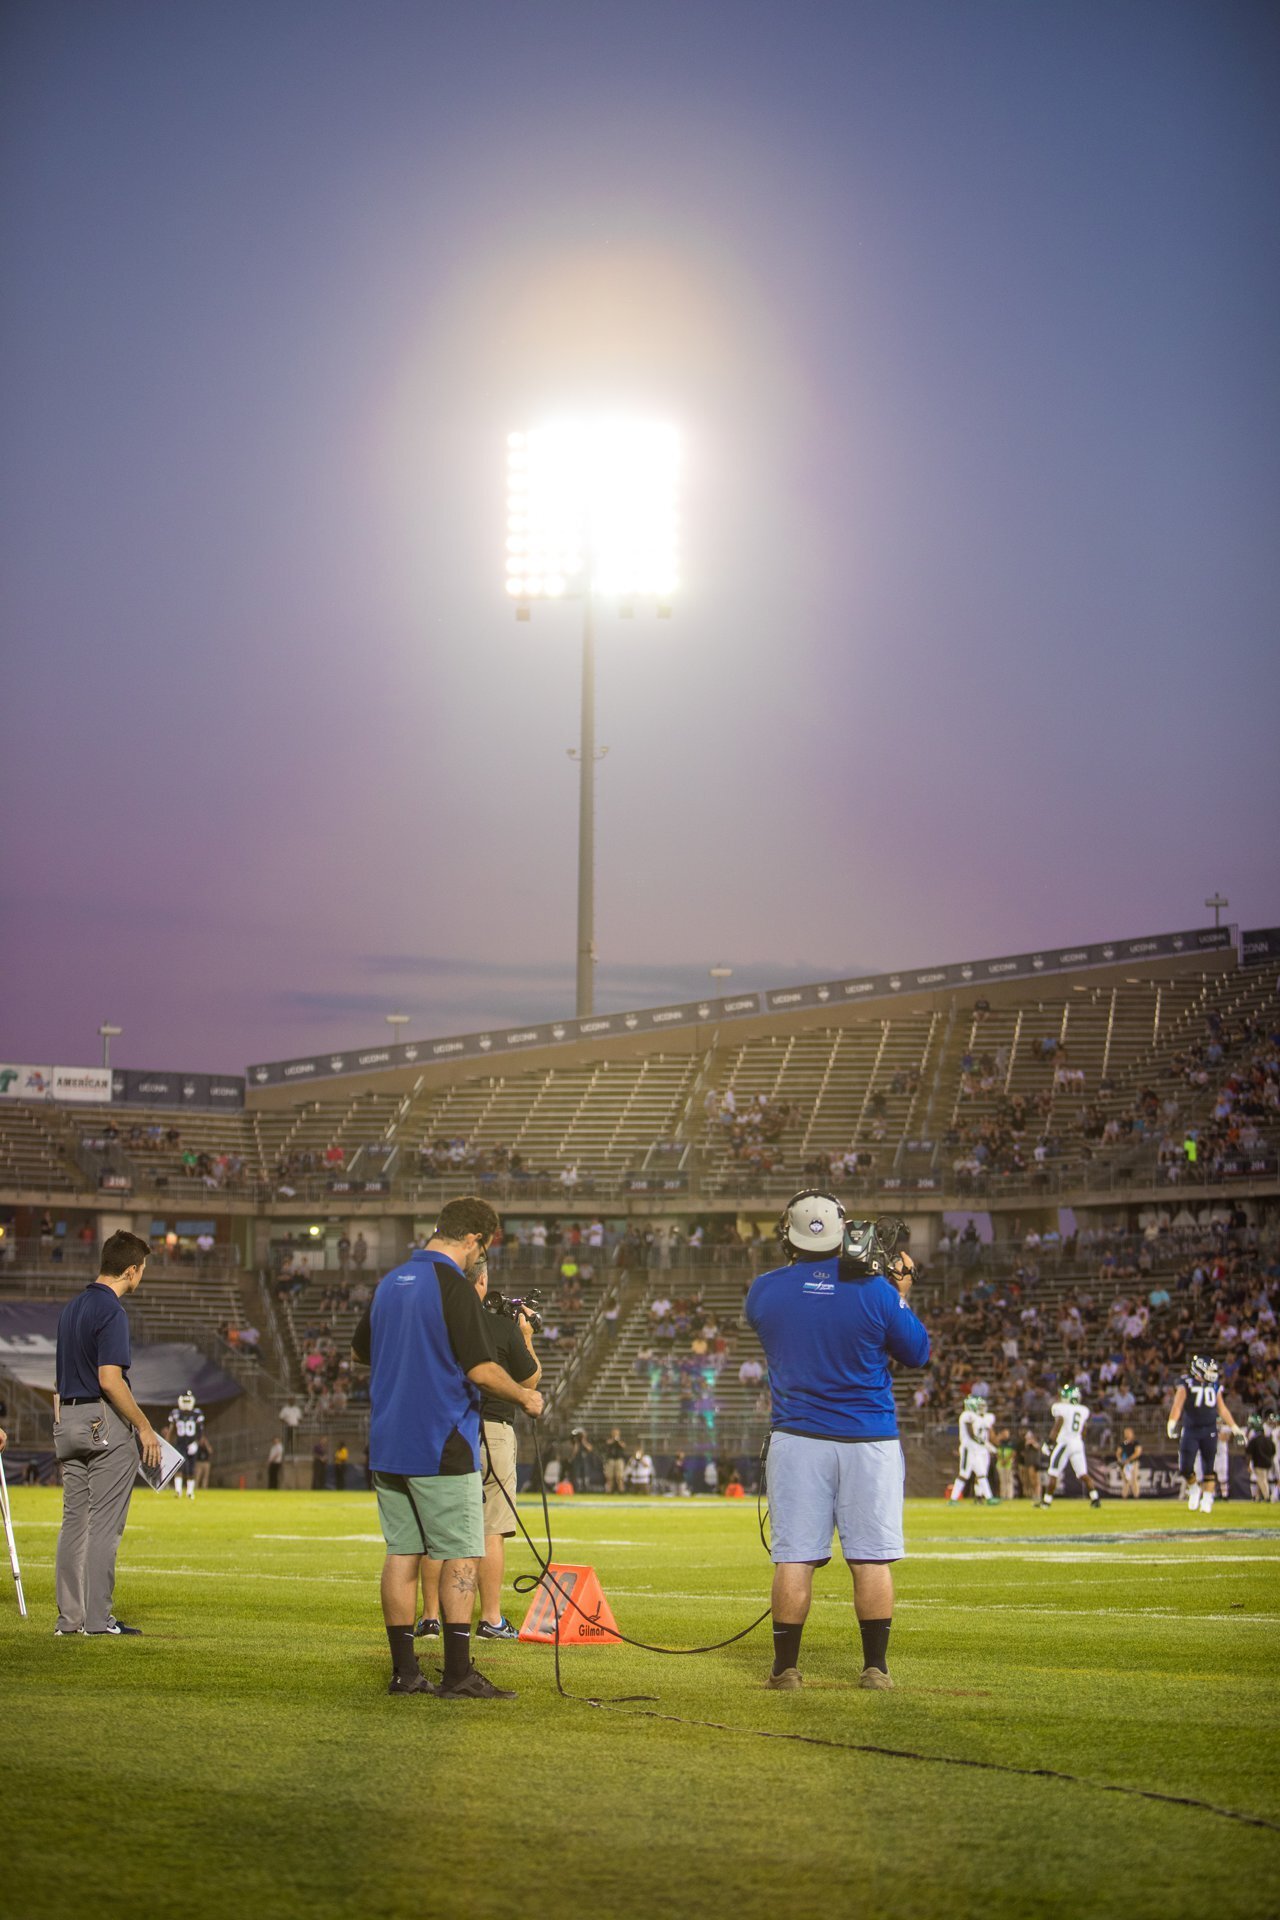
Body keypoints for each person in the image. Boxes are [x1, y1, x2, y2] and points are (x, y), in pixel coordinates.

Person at [351, 1196, 543, 1699]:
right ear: (474, 1240)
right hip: (442, 1440)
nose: (483, 1259)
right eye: (486, 1247)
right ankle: (457, 1673)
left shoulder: (391, 1282)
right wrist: (526, 1394)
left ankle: (405, 1673)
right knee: (461, 1552)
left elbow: (358, 1351)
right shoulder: (453, 1287)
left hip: (389, 1441)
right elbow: (481, 1369)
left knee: (401, 1554)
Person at [745, 1193, 930, 1693]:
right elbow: (917, 1351)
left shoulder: (763, 1292)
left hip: (798, 1436)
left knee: (794, 1557)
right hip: (868, 1437)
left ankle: (785, 1670)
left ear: (789, 1233)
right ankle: (875, 1669)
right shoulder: (875, 1290)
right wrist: (898, 1291)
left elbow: (796, 1311)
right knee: (870, 1557)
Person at [416, 1262, 541, 1643]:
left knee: (439, 1528)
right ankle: (489, 1619)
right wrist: (526, 1335)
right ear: (482, 1281)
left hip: (445, 1429)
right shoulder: (502, 1326)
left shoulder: (443, 1322)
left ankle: (430, 1618)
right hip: (492, 1430)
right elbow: (529, 1378)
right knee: (491, 1529)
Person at [52, 1230, 161, 1636]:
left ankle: (70, 1620)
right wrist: (144, 1427)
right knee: (103, 1525)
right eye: (143, 1269)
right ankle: (98, 1621)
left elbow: (60, 1379)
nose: (142, 1276)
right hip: (102, 1423)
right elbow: (111, 1380)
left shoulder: (71, 1309)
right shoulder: (112, 1312)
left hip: (67, 1420)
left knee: (73, 1522)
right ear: (130, 1270)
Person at [1167, 1355, 1243, 1514]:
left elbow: (1222, 1409)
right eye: (1208, 1369)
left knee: (1209, 1466)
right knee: (1185, 1467)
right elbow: (1178, 1404)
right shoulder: (1186, 1383)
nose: (1212, 1372)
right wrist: (1172, 1422)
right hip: (1190, 1429)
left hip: (1209, 1429)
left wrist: (1235, 1428)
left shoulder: (1214, 1385)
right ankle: (1194, 1488)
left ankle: (1208, 1497)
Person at [1039, 1385, 1103, 1510]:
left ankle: (1046, 1502)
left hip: (1065, 1443)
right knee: (1083, 1474)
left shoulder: (1061, 1408)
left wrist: (1049, 1442)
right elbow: (1084, 1430)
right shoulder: (1083, 1410)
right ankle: (1095, 1498)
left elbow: (1058, 1424)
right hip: (1077, 1443)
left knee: (1053, 1473)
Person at [949, 1394, 995, 1503]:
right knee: (964, 1474)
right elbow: (970, 1433)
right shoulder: (967, 1415)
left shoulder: (978, 1417)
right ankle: (953, 1499)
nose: (980, 1408)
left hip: (975, 1450)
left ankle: (989, 1498)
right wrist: (984, 1443)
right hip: (967, 1449)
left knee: (981, 1473)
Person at [165, 1391, 205, 1500]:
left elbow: (200, 1431)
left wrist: (196, 1443)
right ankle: (178, 1491)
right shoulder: (176, 1413)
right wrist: (167, 1442)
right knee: (179, 1467)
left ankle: (190, 1492)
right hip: (180, 1443)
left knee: (191, 1469)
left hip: (192, 1443)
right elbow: (171, 1430)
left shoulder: (197, 1413)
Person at [1245, 1414, 1275, 1503]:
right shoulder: (1268, 1440)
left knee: (1262, 1480)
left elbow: (1249, 1453)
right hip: (1268, 1462)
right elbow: (1273, 1451)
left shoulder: (1254, 1440)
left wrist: (1248, 1464)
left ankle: (1267, 1497)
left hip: (1259, 1463)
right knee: (1260, 1480)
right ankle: (1257, 1497)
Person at [1115, 1428, 1142, 1499]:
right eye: (1125, 1433)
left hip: (1133, 1463)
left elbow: (1137, 1453)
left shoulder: (1135, 1443)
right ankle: (1124, 1496)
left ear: (1132, 1433)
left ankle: (1136, 1496)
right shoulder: (1124, 1443)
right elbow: (1118, 1452)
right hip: (1125, 1465)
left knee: (1134, 1480)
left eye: (1128, 1433)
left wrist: (1128, 1460)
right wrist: (1120, 1460)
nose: (1126, 1434)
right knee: (1126, 1481)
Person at [603, 1428, 627, 1494]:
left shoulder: (621, 1440)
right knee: (609, 1477)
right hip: (610, 1460)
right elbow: (607, 1443)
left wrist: (618, 1440)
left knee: (619, 1477)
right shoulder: (609, 1440)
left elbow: (623, 1446)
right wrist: (614, 1440)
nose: (615, 1434)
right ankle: (609, 1491)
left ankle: (621, 1491)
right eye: (614, 1432)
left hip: (619, 1460)